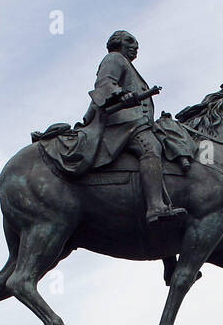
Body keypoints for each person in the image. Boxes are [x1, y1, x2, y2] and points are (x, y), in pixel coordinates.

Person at [77, 31, 188, 224]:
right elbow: (104, 83)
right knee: (151, 149)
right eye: (130, 41)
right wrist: (120, 94)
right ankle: (155, 206)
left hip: (137, 123)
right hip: (123, 123)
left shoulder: (127, 65)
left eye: (136, 43)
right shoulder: (114, 58)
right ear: (116, 43)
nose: (135, 46)